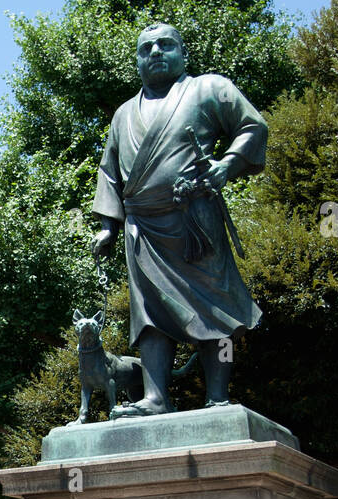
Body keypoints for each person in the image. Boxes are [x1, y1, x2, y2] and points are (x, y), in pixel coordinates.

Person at [91, 22, 267, 416]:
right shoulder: (123, 114)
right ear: (136, 62)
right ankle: (155, 398)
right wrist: (107, 227)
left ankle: (217, 396)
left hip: (194, 220)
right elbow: (109, 172)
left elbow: (253, 126)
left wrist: (228, 165)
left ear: (183, 53)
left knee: (212, 309)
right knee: (149, 314)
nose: (155, 52)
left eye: (165, 45)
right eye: (146, 48)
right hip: (142, 229)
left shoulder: (207, 88)